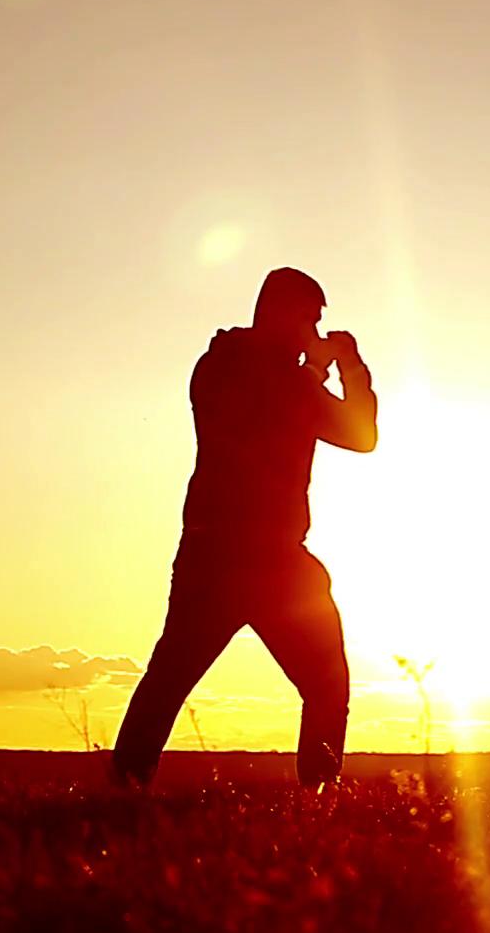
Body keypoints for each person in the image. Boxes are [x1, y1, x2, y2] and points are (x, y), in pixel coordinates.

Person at [112, 267, 378, 790]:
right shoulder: (267, 377)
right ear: (280, 312)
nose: (313, 330)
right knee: (322, 684)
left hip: (221, 552)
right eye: (309, 318)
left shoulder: (216, 365)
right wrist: (346, 366)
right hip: (263, 557)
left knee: (169, 679)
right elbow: (359, 433)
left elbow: (294, 411)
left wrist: (319, 370)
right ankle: (318, 799)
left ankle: (125, 788)